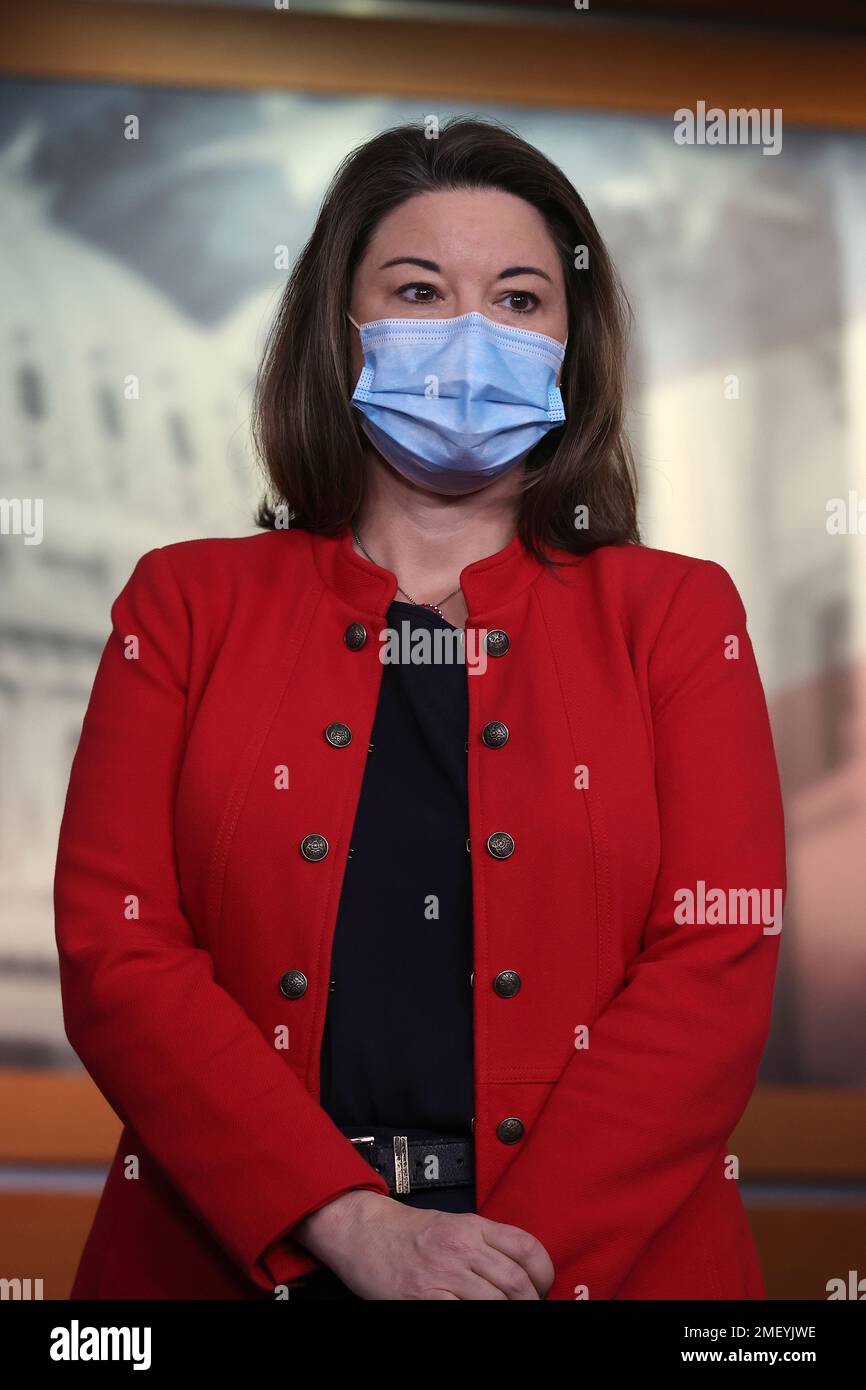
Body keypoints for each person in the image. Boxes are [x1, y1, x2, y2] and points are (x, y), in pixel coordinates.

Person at [54, 117, 786, 1301]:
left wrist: (499, 1271)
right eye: (416, 288)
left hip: (596, 1268)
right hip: (231, 1253)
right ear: (339, 331)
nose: (468, 331)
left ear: (569, 338)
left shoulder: (674, 615)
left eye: (516, 296)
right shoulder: (186, 603)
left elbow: (712, 963)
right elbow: (118, 951)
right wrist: (346, 1223)